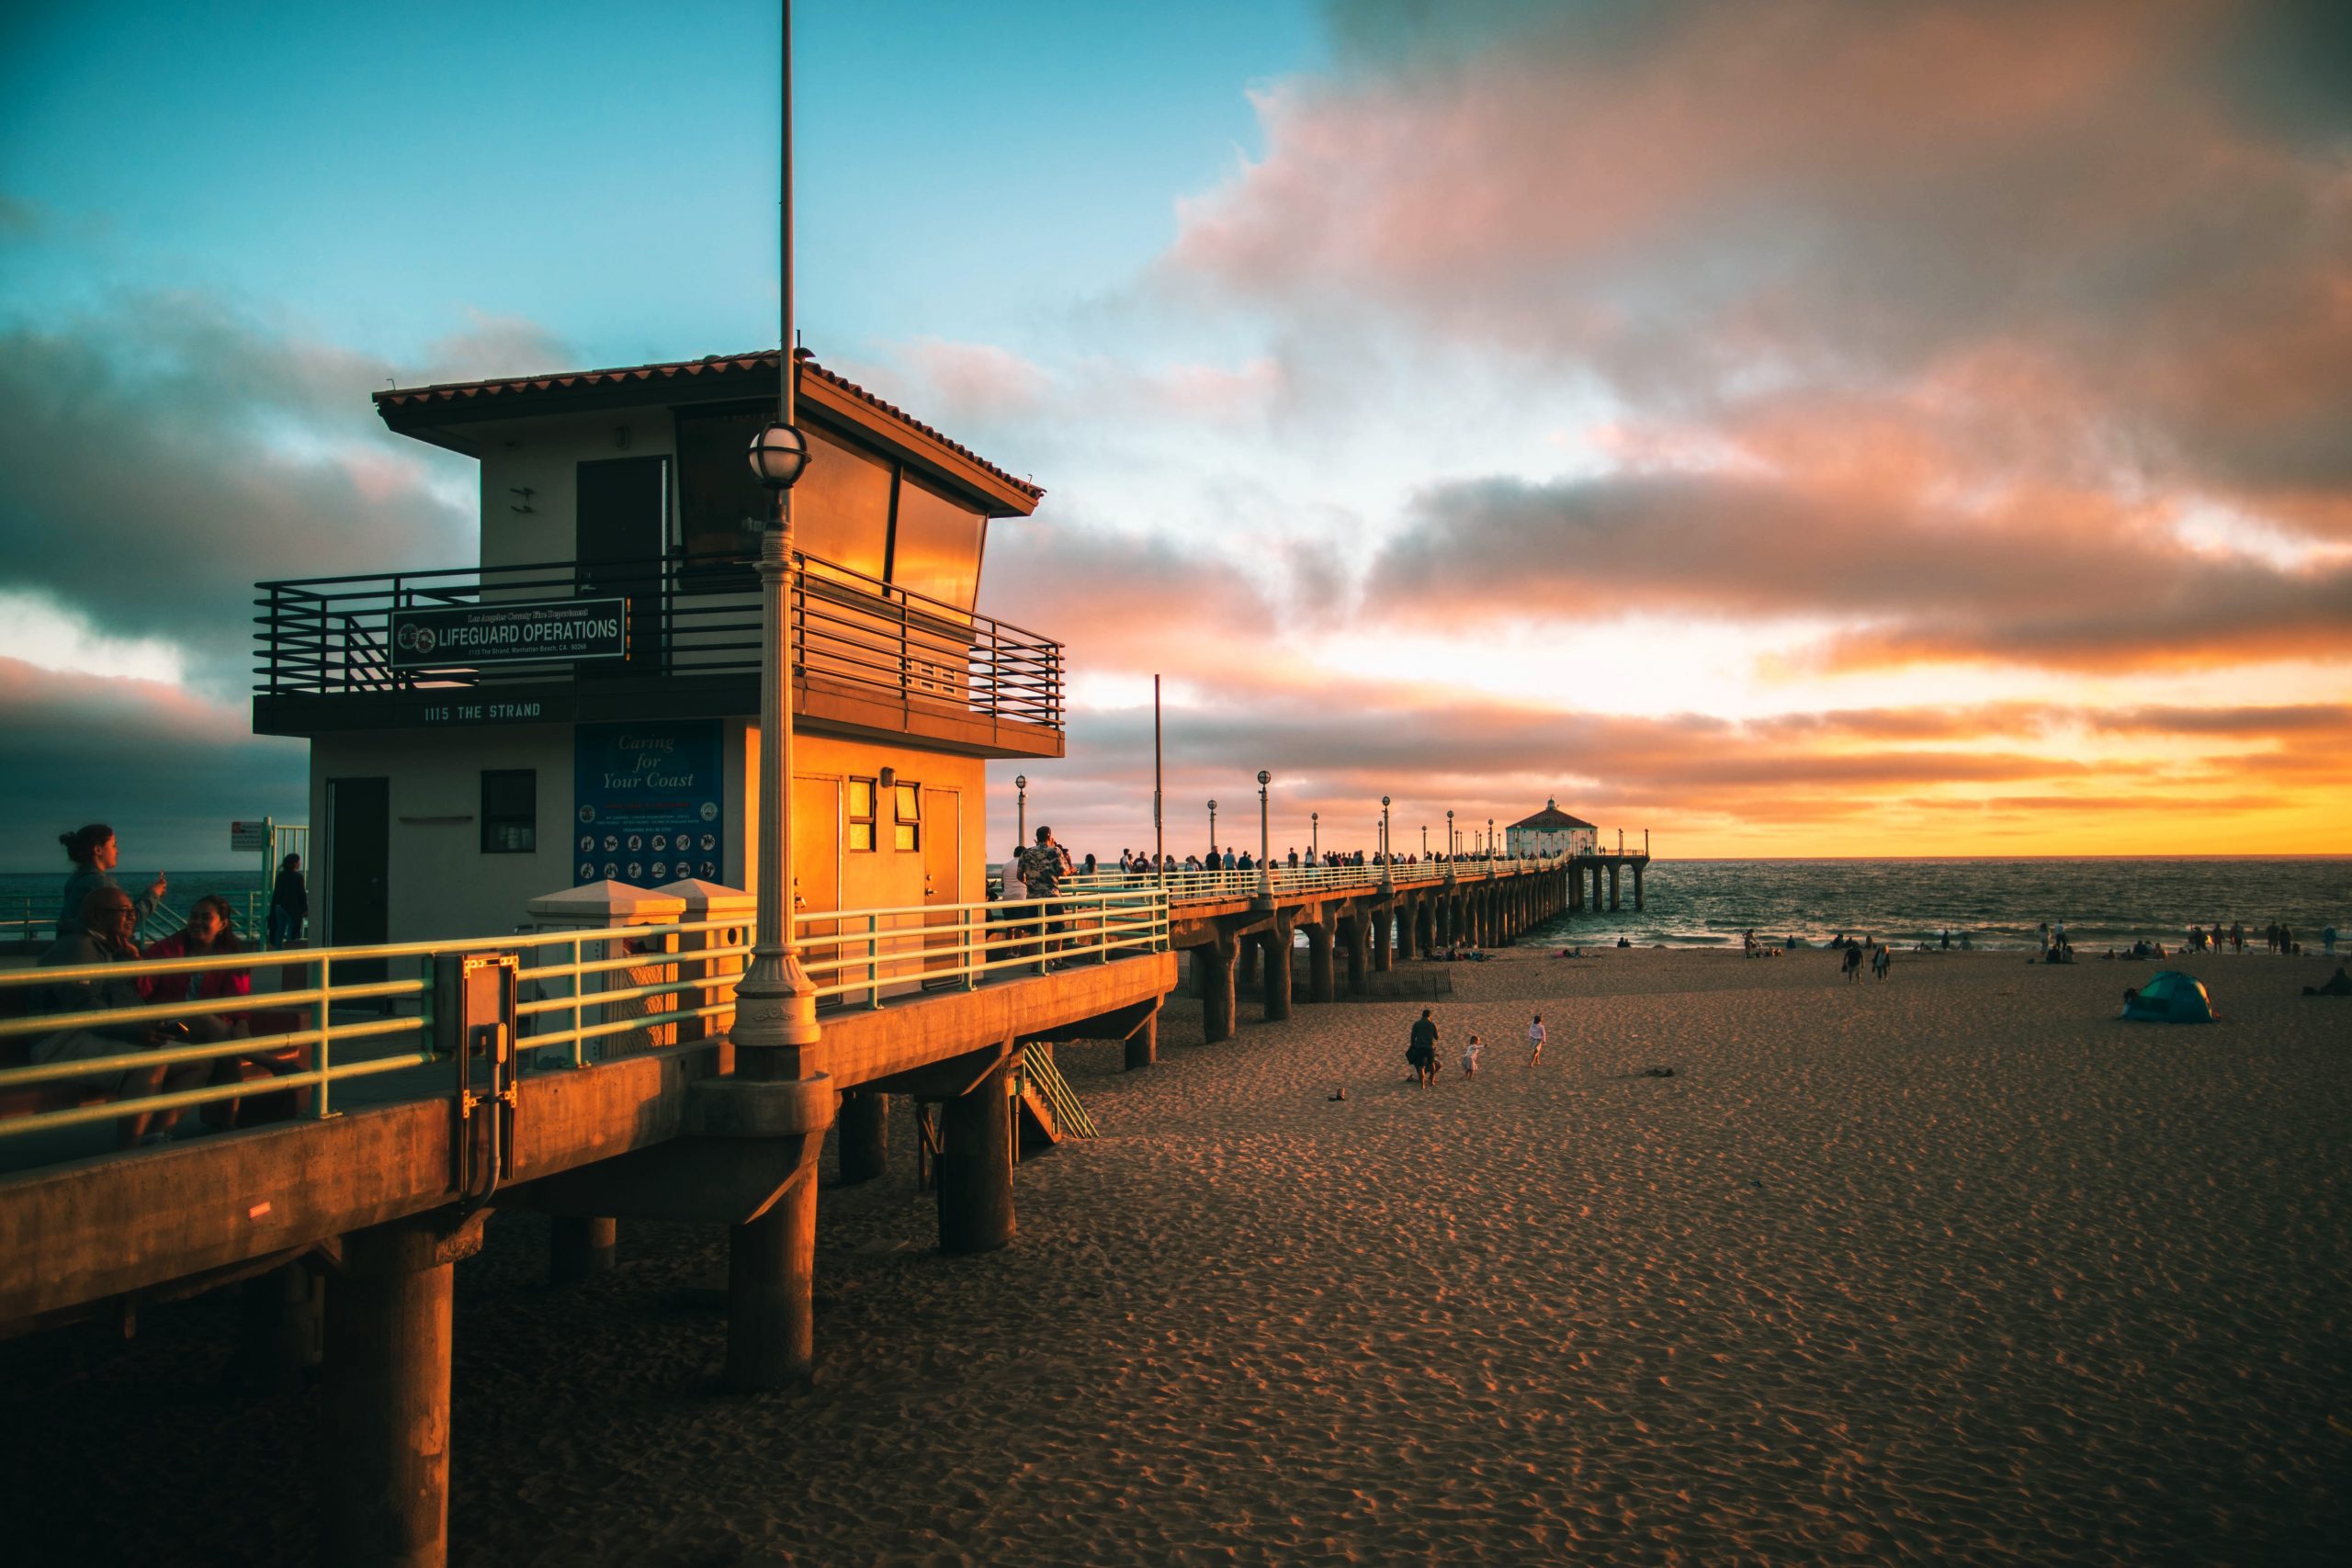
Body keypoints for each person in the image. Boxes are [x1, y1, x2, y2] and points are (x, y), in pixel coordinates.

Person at [32, 886, 210, 1146]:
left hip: (100, 1032)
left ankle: (155, 1135)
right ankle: (128, 1151)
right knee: (148, 1063)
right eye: (123, 912)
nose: (132, 917)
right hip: (61, 1039)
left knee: (199, 1061)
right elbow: (86, 1009)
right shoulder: (77, 948)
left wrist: (131, 964)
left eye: (131, 911)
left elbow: (121, 1000)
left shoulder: (110, 947)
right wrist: (134, 1031)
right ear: (96, 918)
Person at [140, 895, 253, 1043]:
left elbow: (238, 1001)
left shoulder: (232, 956)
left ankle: (274, 1064)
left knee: (217, 1035)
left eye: (206, 918)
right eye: (194, 916)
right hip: (173, 1026)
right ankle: (274, 1065)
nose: (197, 922)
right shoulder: (166, 950)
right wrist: (134, 962)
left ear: (223, 924)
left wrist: (242, 1024)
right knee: (201, 1017)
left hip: (213, 1029)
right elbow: (142, 990)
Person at [56, 822, 165, 940]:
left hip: (74, 944)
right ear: (98, 849)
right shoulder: (100, 883)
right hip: (97, 950)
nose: (117, 851)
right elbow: (128, 920)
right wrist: (154, 893)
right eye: (113, 846)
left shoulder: (75, 879)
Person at [1019, 825, 1075, 964]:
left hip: (1033, 897)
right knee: (1057, 929)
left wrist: (1029, 885)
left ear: (1037, 837)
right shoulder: (1054, 851)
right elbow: (1063, 871)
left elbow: (1019, 875)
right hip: (1052, 895)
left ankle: (1035, 963)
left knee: (1034, 930)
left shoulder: (1026, 853)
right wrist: (1071, 870)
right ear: (1049, 835)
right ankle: (1057, 959)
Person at [268, 852, 308, 948]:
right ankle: (290, 952)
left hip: (279, 907)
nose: (299, 864)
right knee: (292, 933)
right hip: (292, 908)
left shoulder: (280, 876)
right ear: (294, 864)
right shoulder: (298, 877)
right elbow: (301, 894)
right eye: (298, 862)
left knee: (279, 932)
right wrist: (305, 908)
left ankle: (278, 952)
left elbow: (276, 892)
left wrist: (273, 908)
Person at [1407, 1008, 1439, 1088]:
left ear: (1422, 1015)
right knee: (1432, 1064)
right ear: (1430, 1015)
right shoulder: (1432, 1024)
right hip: (1429, 1047)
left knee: (1421, 1066)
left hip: (1419, 1047)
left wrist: (1412, 1045)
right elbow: (1437, 1037)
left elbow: (1413, 1037)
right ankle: (1432, 1081)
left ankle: (1423, 1085)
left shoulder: (1416, 1024)